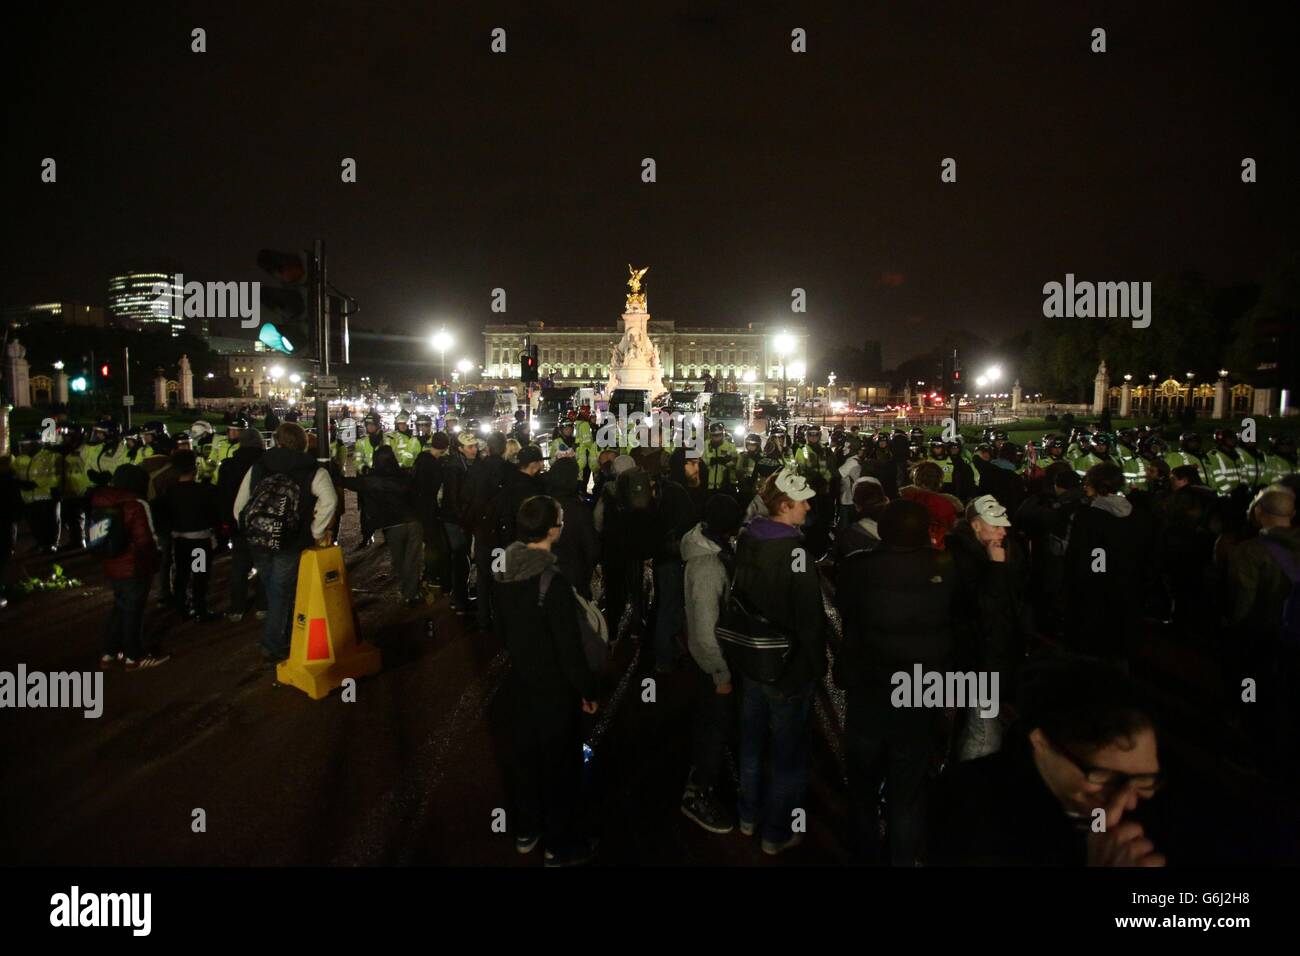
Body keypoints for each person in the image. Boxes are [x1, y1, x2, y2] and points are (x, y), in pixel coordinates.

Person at [927, 657, 1165, 866]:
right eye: (1107, 777)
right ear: (1042, 743)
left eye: (1144, 781)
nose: (1128, 801)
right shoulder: (969, 809)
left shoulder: (1153, 816)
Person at [835, 500, 955, 864]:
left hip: (868, 690)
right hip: (918, 694)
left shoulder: (857, 568)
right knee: (907, 795)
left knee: (862, 793)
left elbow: (846, 606)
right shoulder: (945, 570)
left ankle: (866, 854)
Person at [492, 494, 600, 866]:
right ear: (553, 530)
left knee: (524, 757)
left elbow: (496, 625)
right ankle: (558, 845)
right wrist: (587, 690)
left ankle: (526, 829)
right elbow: (569, 650)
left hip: (518, 678)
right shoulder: (552, 581)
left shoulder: (503, 567)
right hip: (552, 685)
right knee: (558, 765)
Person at [733, 467, 828, 854]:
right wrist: (816, 665)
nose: (808, 506)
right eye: (802, 501)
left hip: (751, 656)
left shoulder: (747, 539)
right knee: (787, 755)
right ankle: (776, 832)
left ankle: (747, 815)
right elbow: (810, 619)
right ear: (785, 506)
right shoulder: (797, 554)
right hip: (786, 667)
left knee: (751, 744)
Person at [234, 422, 338, 664]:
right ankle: (274, 643)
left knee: (273, 587)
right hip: (290, 540)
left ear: (277, 442)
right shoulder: (313, 470)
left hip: (259, 539)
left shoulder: (259, 466)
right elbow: (329, 500)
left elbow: (241, 504)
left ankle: (282, 631)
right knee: (281, 591)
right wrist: (316, 531)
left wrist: (250, 527)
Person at [1221, 485, 1300, 781]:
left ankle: (1255, 754)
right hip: (1295, 638)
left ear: (1259, 513)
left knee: (1253, 695)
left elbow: (1241, 604)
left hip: (1261, 639)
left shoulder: (1248, 551)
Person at [679, 493, 745, 834]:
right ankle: (698, 793)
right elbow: (706, 630)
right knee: (713, 728)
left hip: (709, 659)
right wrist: (720, 672)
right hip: (712, 663)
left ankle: (701, 776)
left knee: (712, 725)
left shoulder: (707, 549)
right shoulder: (709, 566)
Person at [946, 495, 1026, 761]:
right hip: (978, 658)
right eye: (996, 526)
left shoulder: (1006, 551)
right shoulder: (959, 558)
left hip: (998, 655)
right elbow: (983, 608)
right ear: (976, 525)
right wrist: (996, 567)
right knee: (985, 735)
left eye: (1004, 526)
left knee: (975, 726)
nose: (1003, 532)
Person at [1062, 463, 1155, 664]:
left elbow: (1091, 555)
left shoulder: (1090, 517)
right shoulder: (1136, 513)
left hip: (1100, 594)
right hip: (1130, 588)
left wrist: (1092, 577)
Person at [90, 464, 168, 669]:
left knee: (119, 607)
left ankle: (109, 652)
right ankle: (134, 656)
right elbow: (146, 539)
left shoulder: (102, 500)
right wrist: (157, 557)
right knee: (134, 612)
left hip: (111, 562)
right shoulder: (136, 504)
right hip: (134, 565)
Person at [340, 445, 424, 607]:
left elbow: (350, 483)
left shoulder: (373, 480)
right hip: (413, 521)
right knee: (412, 559)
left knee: (400, 560)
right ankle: (411, 592)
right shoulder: (404, 474)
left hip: (393, 525)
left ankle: (409, 592)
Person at [162, 450, 221, 622]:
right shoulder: (204, 491)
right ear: (194, 468)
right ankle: (199, 610)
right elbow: (213, 515)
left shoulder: (170, 492)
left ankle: (181, 607)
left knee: (181, 574)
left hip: (180, 541)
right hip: (200, 541)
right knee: (199, 575)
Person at [218, 427, 267, 622]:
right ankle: (263, 606)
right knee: (264, 564)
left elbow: (222, 497)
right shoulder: (266, 463)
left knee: (239, 566)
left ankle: (236, 608)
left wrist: (225, 522)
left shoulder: (228, 465)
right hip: (263, 522)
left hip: (237, 521)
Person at [544, 457, 599, 599]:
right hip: (574, 577)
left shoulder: (542, 504)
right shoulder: (579, 510)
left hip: (545, 575)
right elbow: (591, 550)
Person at [440, 433, 479, 613]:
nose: (474, 450)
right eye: (470, 447)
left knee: (461, 558)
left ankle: (459, 597)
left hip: (457, 519)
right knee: (460, 559)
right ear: (460, 448)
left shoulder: (461, 463)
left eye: (475, 446)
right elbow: (454, 498)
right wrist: (463, 520)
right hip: (456, 520)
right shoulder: (455, 468)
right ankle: (460, 600)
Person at [413, 432, 451, 597]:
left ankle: (429, 575)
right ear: (444, 447)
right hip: (430, 509)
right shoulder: (436, 466)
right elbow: (437, 490)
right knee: (434, 544)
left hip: (419, 508)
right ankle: (432, 576)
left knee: (429, 543)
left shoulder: (421, 459)